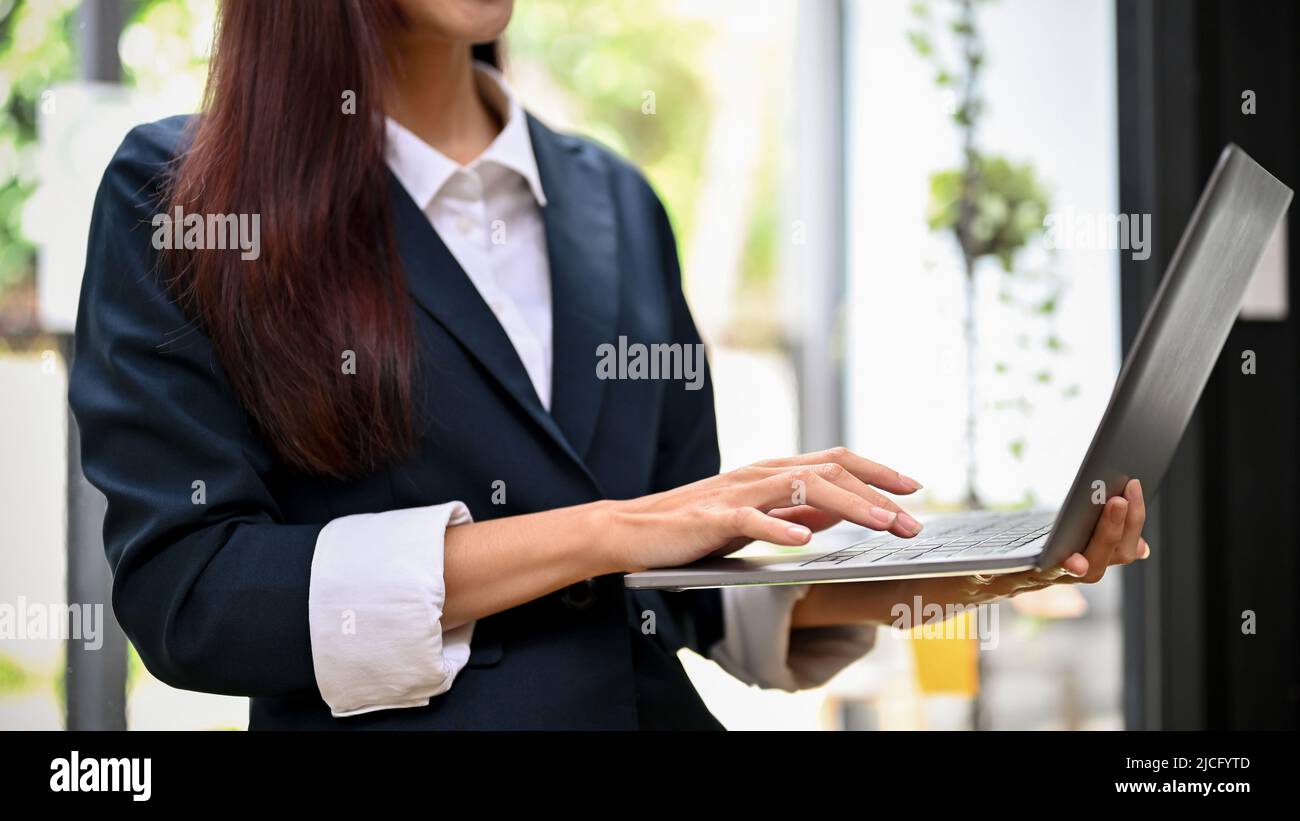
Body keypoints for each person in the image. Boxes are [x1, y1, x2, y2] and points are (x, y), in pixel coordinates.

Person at [68, 0, 1148, 730]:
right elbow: (193, 596)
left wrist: (985, 574)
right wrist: (607, 530)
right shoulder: (183, 197)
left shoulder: (617, 204)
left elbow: (687, 596)